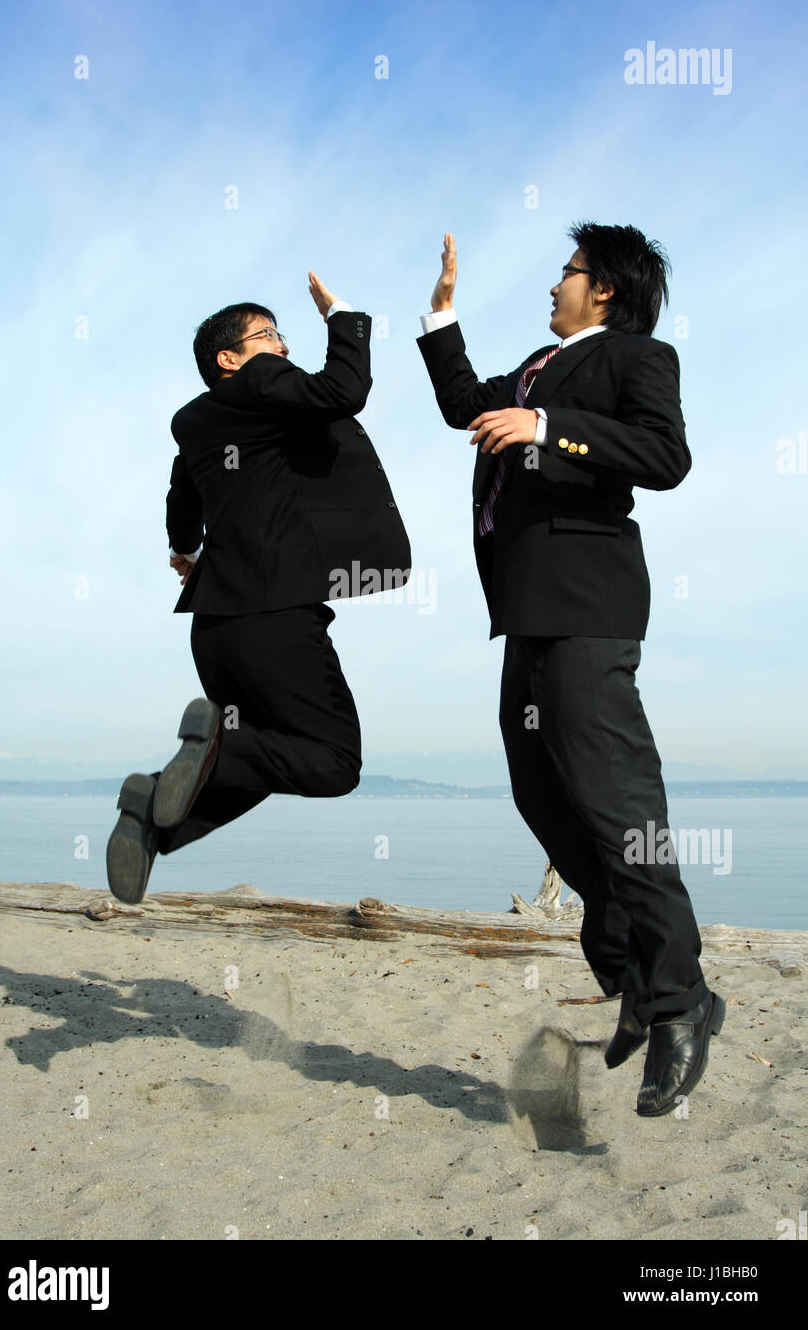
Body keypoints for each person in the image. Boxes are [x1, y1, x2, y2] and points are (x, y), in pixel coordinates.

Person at [416, 226, 724, 1118]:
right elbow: (466, 405)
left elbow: (666, 457)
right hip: (524, 612)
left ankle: (678, 1005)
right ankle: (638, 976)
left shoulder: (636, 356)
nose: (555, 283)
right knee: (544, 796)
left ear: (609, 292)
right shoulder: (535, 364)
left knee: (621, 802)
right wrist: (441, 315)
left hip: (590, 605)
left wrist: (551, 429)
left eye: (569, 272)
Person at [106, 272, 410, 907]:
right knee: (332, 761)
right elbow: (344, 390)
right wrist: (343, 316)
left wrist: (185, 552)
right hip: (274, 616)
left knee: (265, 759)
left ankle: (150, 821)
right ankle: (216, 743)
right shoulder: (258, 380)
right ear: (229, 359)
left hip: (214, 626)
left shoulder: (193, 421)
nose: (282, 346)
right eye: (268, 335)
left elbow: (180, 504)